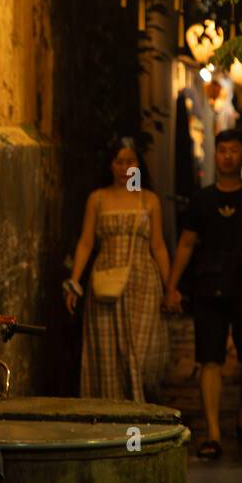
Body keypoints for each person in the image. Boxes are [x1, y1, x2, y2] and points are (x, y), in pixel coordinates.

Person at [164, 129, 242, 459]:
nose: (227, 155)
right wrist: (172, 285)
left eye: (233, 150)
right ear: (215, 155)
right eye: (222, 150)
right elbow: (186, 244)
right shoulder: (201, 200)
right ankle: (213, 432)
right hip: (208, 286)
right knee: (210, 359)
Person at [64, 138, 170, 402]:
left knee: (141, 353)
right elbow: (86, 242)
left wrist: (171, 288)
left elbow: (158, 246)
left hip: (143, 284)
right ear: (110, 165)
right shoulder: (98, 199)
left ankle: (140, 411)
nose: (124, 168)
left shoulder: (150, 200)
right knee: (107, 354)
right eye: (119, 162)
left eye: (130, 162)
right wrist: (74, 283)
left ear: (139, 165)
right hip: (105, 285)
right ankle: (113, 415)